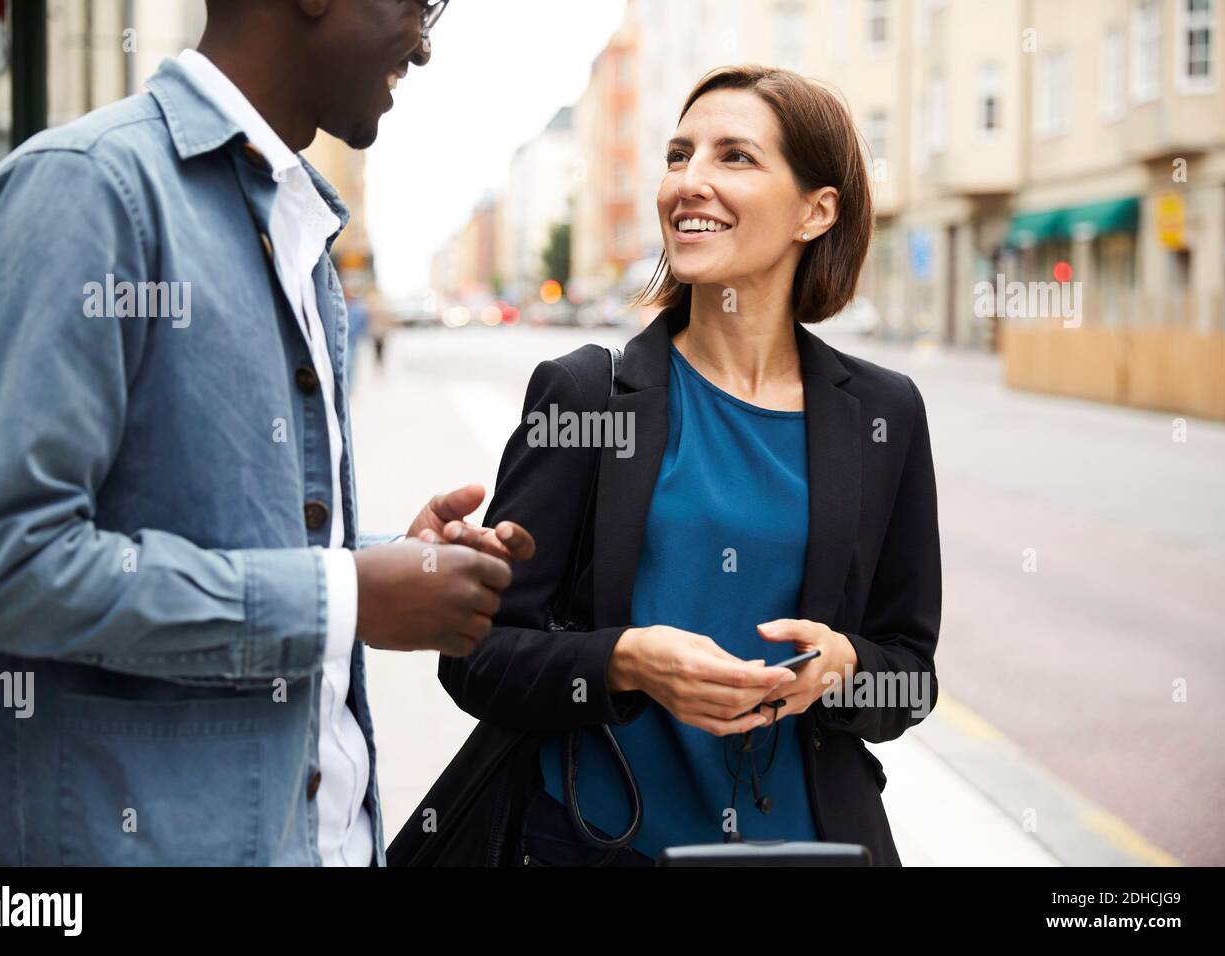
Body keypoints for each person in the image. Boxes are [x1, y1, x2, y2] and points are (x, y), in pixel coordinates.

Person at [0, 0, 530, 866]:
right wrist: (349, 594)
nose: (428, 40)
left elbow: (194, 537)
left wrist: (383, 561)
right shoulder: (91, 189)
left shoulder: (296, 228)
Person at [402, 65, 941, 867]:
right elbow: (477, 660)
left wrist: (843, 669)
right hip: (594, 843)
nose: (688, 183)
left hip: (810, 845)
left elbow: (911, 676)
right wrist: (623, 663)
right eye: (678, 155)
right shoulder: (585, 394)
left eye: (735, 158)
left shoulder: (884, 414)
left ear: (815, 211)